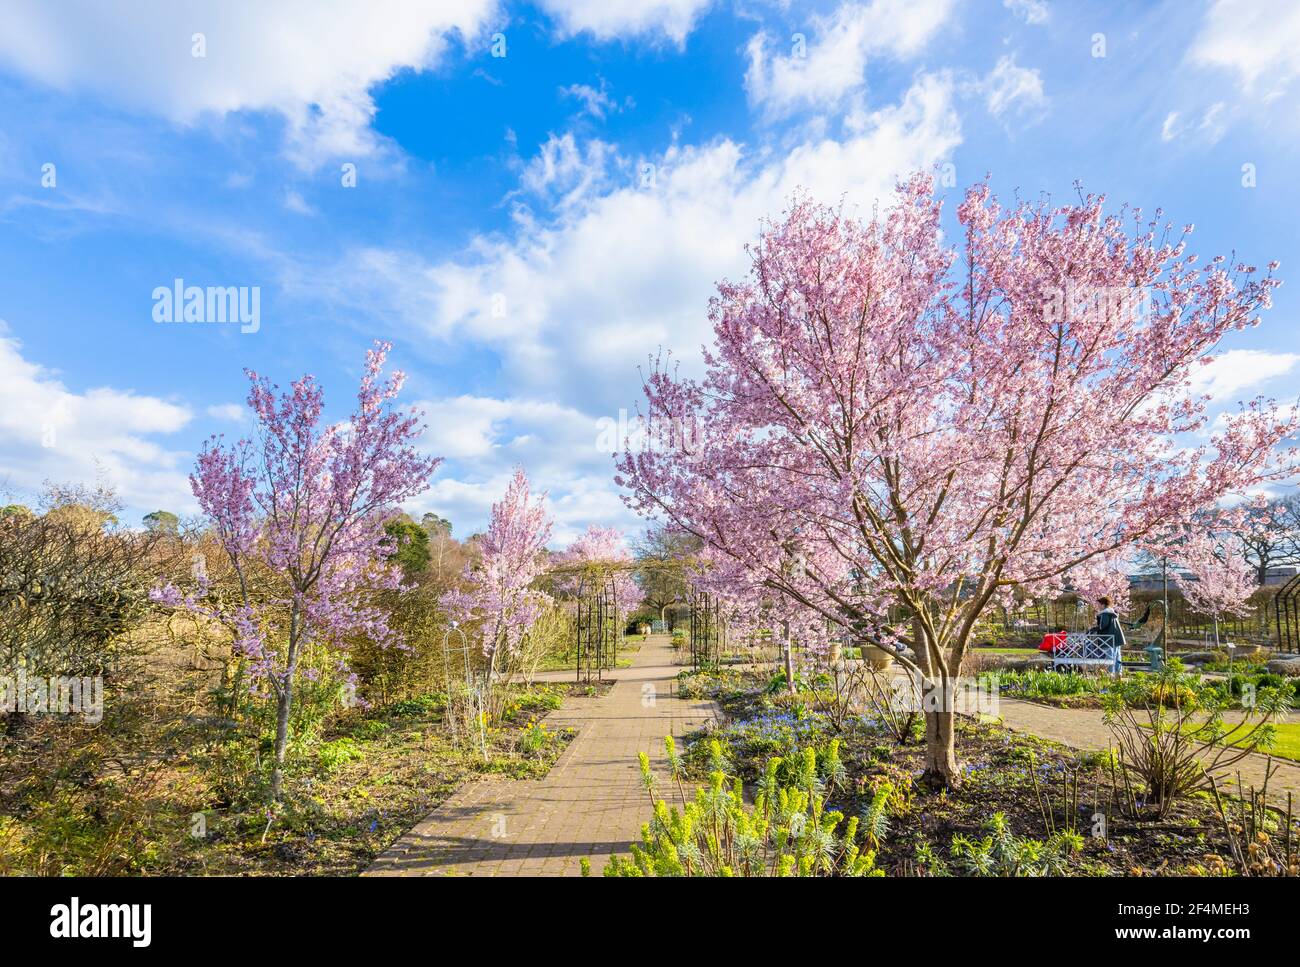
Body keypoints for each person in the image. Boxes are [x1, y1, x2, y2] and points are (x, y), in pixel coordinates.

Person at [1089, 596, 1126, 674]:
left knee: (1110, 656)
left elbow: (1103, 625)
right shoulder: (1111, 613)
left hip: (1109, 638)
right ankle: (1118, 673)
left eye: (1098, 604)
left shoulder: (1105, 613)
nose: (1097, 606)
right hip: (1117, 637)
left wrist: (1093, 629)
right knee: (1117, 656)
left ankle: (1110, 674)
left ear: (1103, 605)